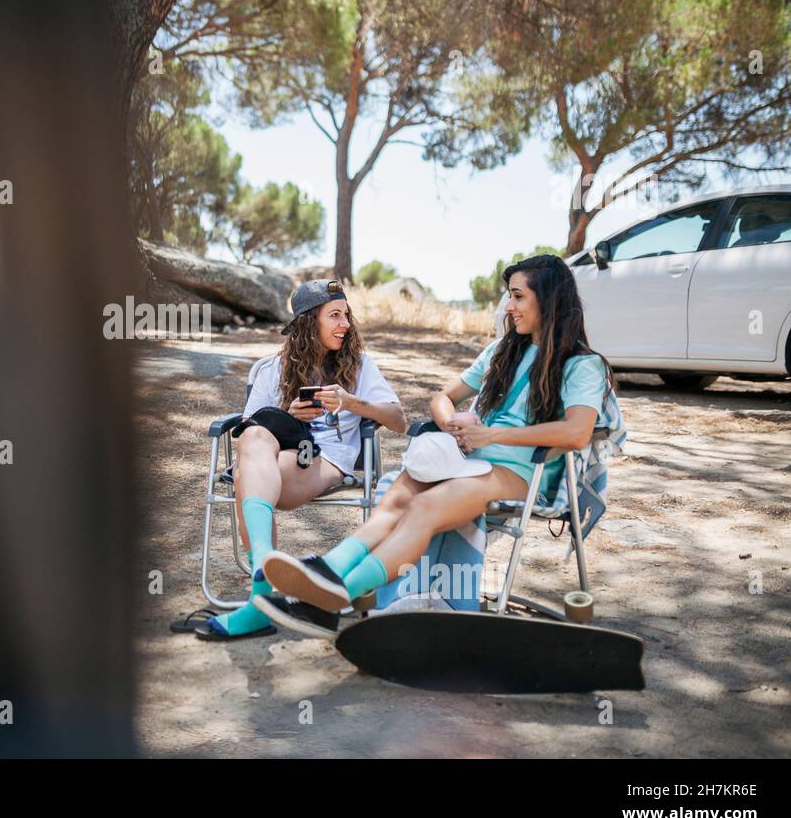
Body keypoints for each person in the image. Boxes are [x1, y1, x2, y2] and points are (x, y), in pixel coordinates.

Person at [256, 255, 613, 637]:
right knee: (395, 497)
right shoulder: (500, 352)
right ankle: (328, 571)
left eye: (518, 297)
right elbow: (443, 397)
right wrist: (452, 423)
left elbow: (577, 432)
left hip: (518, 472)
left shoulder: (581, 364)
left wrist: (492, 436)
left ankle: (335, 599)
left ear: (550, 299)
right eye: (510, 296)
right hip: (464, 457)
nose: (509, 307)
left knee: (423, 505)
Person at [194, 279, 407, 641]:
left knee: (248, 473)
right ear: (310, 322)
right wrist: (287, 413)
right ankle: (264, 563)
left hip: (322, 461)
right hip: (275, 458)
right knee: (255, 437)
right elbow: (250, 426)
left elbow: (399, 421)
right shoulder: (272, 369)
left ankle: (258, 595)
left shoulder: (360, 366)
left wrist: (351, 402)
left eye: (346, 316)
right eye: (334, 316)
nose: (345, 324)